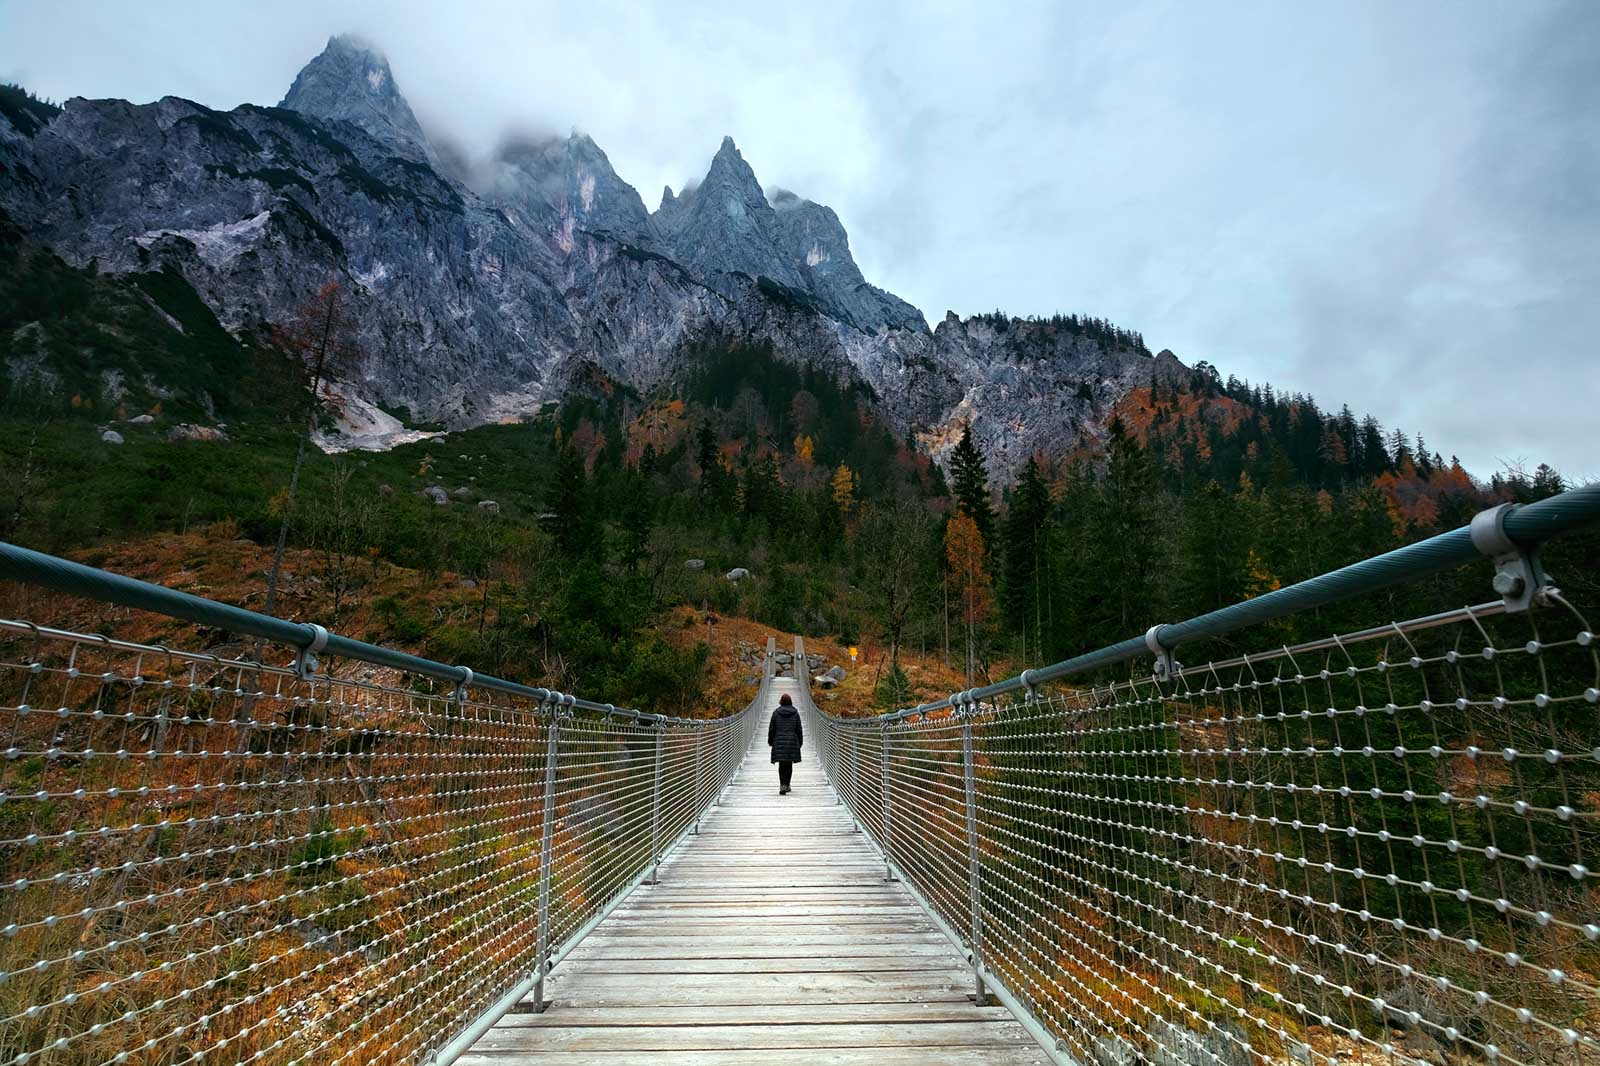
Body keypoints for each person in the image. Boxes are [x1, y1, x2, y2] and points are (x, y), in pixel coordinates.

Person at [767, 692, 803, 795]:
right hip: (792, 741)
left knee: (782, 764)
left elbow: (772, 728)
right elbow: (799, 729)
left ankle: (783, 784)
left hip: (779, 741)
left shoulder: (776, 713)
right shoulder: (795, 713)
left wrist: (770, 740)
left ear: (781, 702)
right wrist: (800, 742)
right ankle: (787, 784)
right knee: (788, 764)